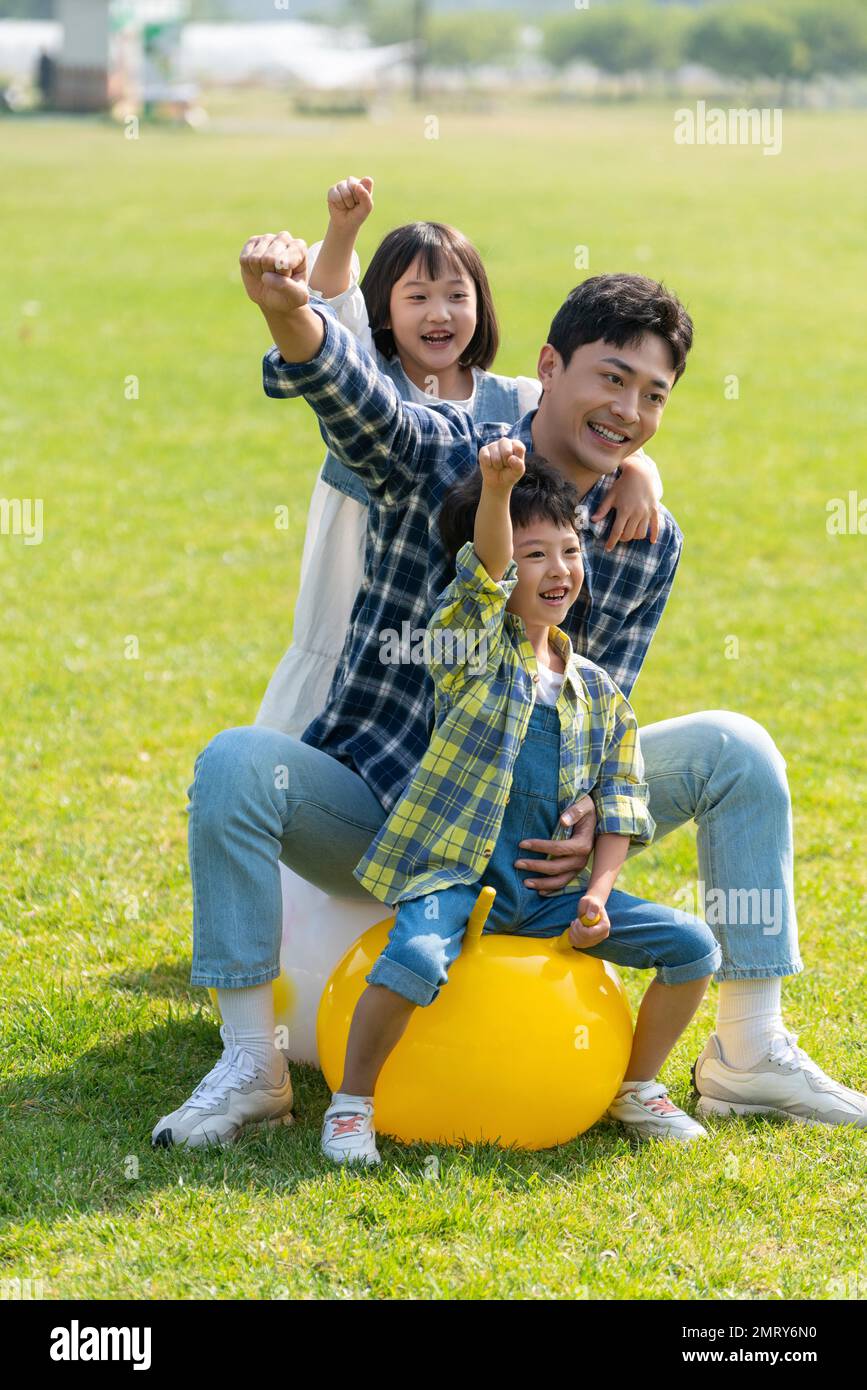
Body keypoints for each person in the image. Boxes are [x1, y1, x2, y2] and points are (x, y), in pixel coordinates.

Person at [150, 232, 866, 1151]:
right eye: (611, 379)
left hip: (525, 847)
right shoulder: (445, 453)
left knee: (738, 749)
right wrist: (287, 310)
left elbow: (602, 704)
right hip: (383, 812)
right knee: (237, 765)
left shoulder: (641, 533)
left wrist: (584, 815)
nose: (629, 411)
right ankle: (251, 1064)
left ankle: (749, 1050)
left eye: (653, 396)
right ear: (547, 368)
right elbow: (354, 398)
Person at [322, 441, 722, 1164]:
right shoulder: (470, 651)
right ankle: (352, 1102)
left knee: (692, 947)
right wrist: (497, 489)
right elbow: (481, 578)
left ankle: (633, 1087)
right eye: (532, 556)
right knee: (412, 955)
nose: (557, 569)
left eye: (568, 551)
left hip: (544, 894)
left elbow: (621, 802)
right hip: (455, 877)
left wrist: (597, 896)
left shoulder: (599, 694)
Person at [256, 175, 663, 739]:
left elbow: (582, 431)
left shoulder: (507, 395)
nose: (438, 313)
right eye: (417, 297)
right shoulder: (378, 374)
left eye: (456, 296)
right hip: (363, 565)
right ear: (385, 308)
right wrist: (341, 233)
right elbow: (331, 328)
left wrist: (640, 471)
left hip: (452, 582)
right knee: (331, 672)